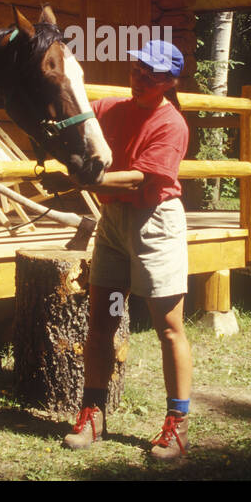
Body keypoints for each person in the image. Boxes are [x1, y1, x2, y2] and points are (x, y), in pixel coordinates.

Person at [62, 39, 192, 461]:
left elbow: (139, 180)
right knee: (102, 322)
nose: (139, 79)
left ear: (170, 81)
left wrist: (84, 181)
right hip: (113, 225)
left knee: (168, 327)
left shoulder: (171, 125)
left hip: (155, 224)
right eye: (136, 70)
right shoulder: (110, 108)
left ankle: (177, 426)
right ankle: (92, 412)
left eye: (151, 75)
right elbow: (73, 122)